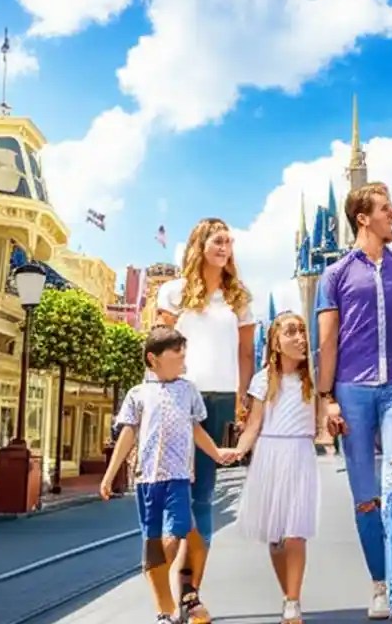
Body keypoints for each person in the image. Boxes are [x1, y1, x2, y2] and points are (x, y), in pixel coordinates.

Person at [317, 182, 392, 624]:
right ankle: (380, 582)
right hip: (351, 391)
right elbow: (326, 343)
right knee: (366, 496)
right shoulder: (334, 276)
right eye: (387, 209)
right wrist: (326, 398)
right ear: (363, 218)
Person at [100, 326, 239, 624]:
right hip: (146, 479)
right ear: (154, 358)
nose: (183, 356)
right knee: (153, 542)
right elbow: (127, 434)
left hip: (177, 477)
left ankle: (168, 572)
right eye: (176, 351)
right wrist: (109, 475)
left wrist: (217, 454)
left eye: (183, 350)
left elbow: (196, 429)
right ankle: (165, 613)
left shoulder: (188, 390)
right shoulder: (138, 394)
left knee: (173, 534)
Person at [155, 218, 256, 624]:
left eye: (230, 242)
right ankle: (165, 602)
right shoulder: (174, 292)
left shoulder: (239, 299)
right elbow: (158, 348)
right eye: (218, 240)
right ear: (200, 244)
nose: (225, 248)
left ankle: (191, 595)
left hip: (220, 400)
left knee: (203, 498)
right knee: (172, 498)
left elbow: (246, 356)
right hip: (180, 397)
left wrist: (243, 400)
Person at [231, 312, 319, 624]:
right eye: (291, 332)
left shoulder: (314, 378)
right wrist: (238, 449)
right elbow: (254, 425)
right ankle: (288, 596)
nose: (300, 338)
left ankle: (293, 602)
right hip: (269, 454)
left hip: (299, 453)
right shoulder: (262, 379)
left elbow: (322, 422)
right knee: (276, 537)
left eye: (302, 332)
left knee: (295, 533)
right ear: (276, 342)